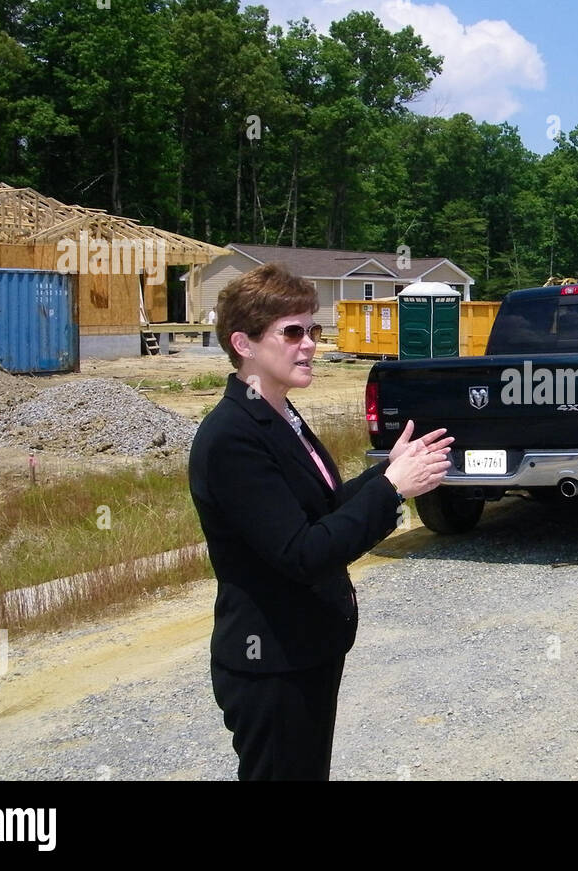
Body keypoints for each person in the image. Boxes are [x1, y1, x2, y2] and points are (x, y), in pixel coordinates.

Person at [188, 263, 451, 780]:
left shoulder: (280, 414)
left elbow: (321, 510)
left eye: (313, 330)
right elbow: (302, 553)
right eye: (291, 332)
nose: (308, 344)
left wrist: (384, 474)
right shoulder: (232, 437)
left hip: (307, 648)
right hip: (271, 662)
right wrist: (393, 488)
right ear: (243, 343)